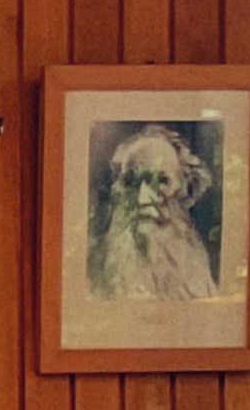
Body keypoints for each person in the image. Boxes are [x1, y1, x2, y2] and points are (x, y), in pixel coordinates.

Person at [84, 122, 217, 305]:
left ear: (183, 192)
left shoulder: (199, 281)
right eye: (131, 181)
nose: (142, 198)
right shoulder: (91, 278)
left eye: (161, 181)